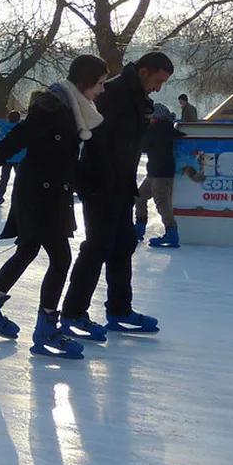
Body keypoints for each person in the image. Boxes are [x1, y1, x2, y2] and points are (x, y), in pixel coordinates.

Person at [0, 55, 108, 359]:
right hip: (40, 195)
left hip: (49, 192)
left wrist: (89, 186)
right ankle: (46, 330)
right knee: (60, 258)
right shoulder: (53, 107)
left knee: (28, 251)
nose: (102, 90)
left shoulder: (74, 109)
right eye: (100, 84)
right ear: (84, 83)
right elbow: (15, 140)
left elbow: (65, 159)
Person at [61, 51, 176, 339]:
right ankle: (73, 313)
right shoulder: (111, 92)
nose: (158, 88)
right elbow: (95, 140)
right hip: (100, 185)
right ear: (144, 70)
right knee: (97, 247)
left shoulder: (137, 97)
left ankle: (119, 310)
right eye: (158, 80)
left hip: (121, 185)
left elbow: (131, 142)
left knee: (123, 244)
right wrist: (102, 182)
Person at [137, 103, 185, 248]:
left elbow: (143, 146)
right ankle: (139, 228)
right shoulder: (169, 129)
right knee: (140, 196)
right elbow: (180, 135)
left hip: (159, 173)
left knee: (162, 204)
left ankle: (171, 234)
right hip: (159, 172)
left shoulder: (154, 130)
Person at [0, 110, 26, 207]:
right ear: (19, 119)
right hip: (20, 158)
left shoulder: (4, 128)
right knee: (20, 179)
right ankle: (21, 198)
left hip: (7, 158)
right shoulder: (22, 129)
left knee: (4, 178)